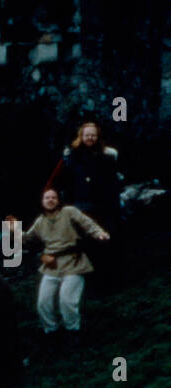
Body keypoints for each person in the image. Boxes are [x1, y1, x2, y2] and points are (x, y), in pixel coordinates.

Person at [23, 188, 109, 348]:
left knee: (67, 301)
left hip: (73, 262)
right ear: (42, 201)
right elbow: (26, 239)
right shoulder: (40, 221)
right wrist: (13, 230)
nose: (50, 200)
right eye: (47, 197)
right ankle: (51, 332)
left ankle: (73, 332)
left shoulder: (69, 212)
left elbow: (87, 224)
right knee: (43, 302)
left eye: (53, 197)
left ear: (58, 200)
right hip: (51, 266)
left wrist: (99, 233)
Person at [49, 121, 121, 287]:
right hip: (79, 206)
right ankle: (86, 280)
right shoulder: (71, 156)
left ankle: (108, 280)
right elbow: (60, 180)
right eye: (87, 135)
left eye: (93, 135)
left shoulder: (107, 156)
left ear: (98, 137)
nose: (90, 138)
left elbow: (113, 182)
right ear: (81, 136)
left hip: (103, 206)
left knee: (105, 242)